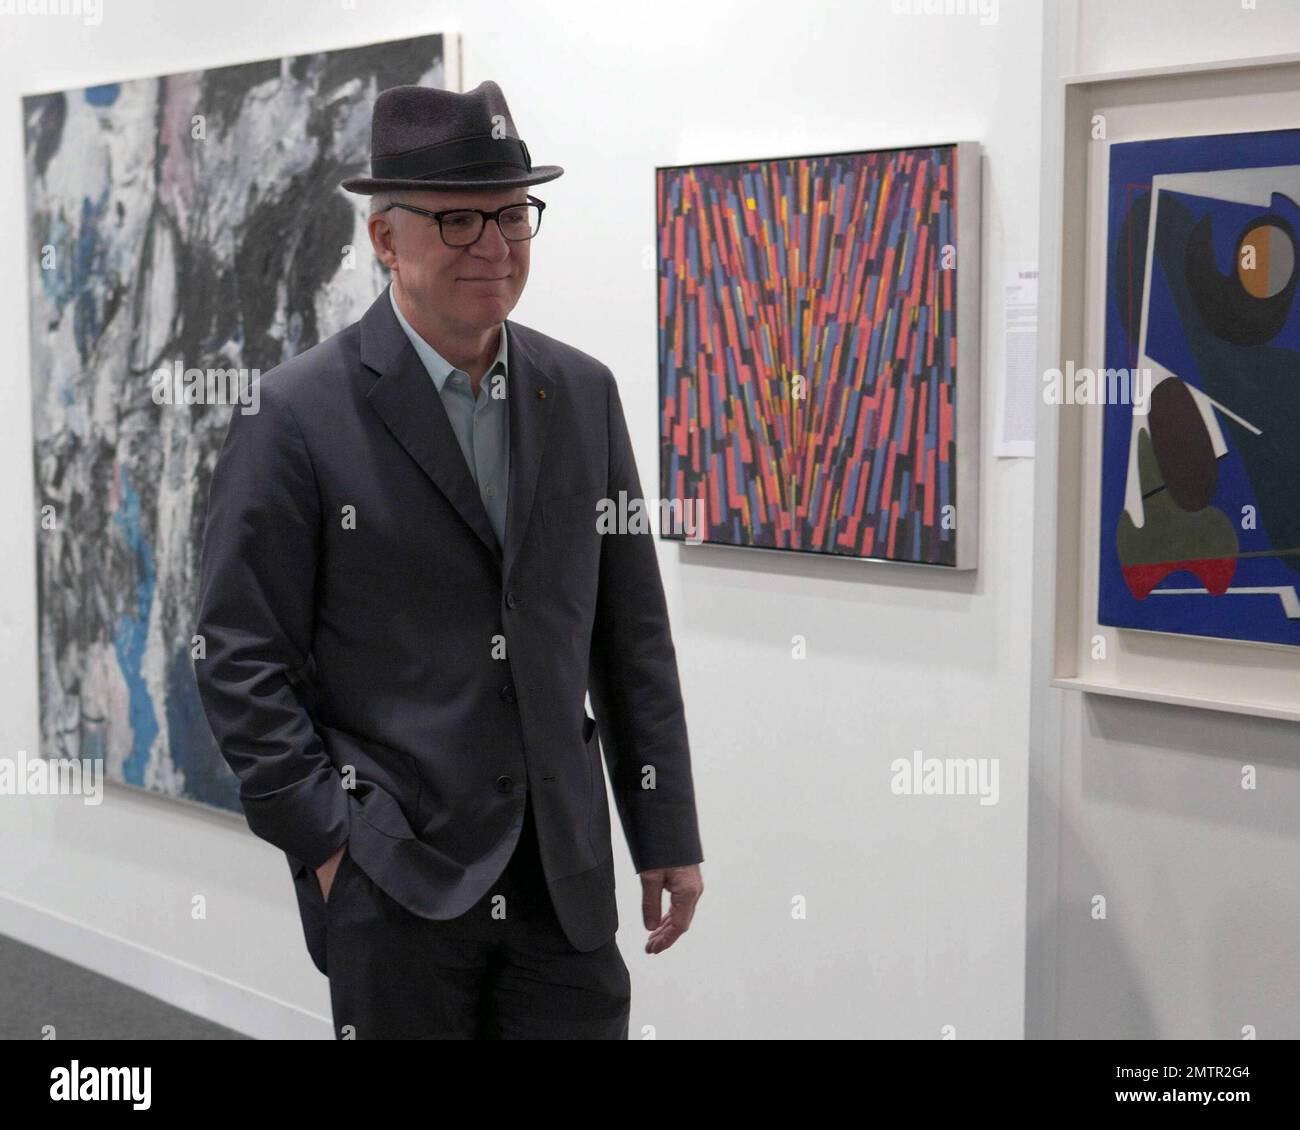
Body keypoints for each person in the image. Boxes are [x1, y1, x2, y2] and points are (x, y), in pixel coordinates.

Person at [194, 80, 704, 1039]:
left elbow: (630, 633)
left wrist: (664, 826)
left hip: (564, 879)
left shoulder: (582, 393)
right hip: (396, 877)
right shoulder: (295, 414)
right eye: (459, 220)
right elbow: (239, 658)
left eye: (513, 215)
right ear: (385, 239)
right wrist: (329, 844)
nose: (496, 247)